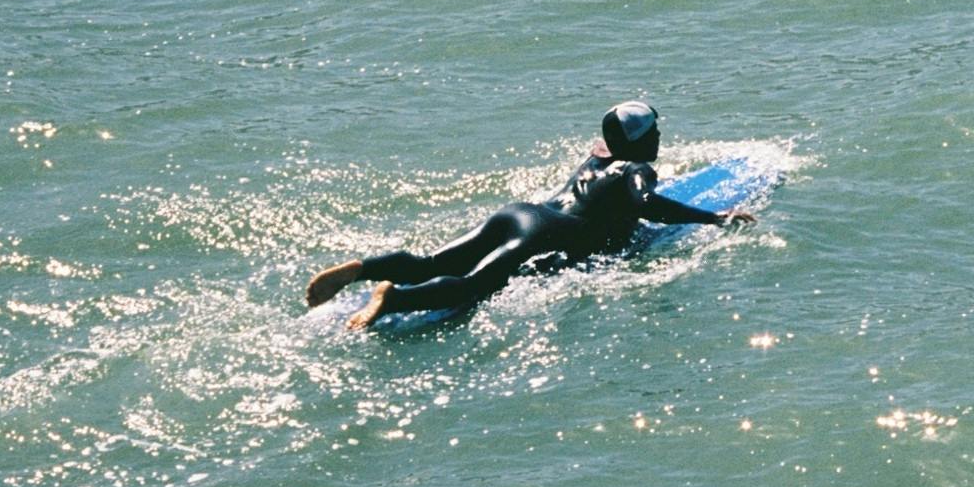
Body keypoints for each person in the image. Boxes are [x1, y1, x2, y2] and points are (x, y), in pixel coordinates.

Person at [305, 100, 748, 326]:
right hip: (549, 233)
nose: (659, 135)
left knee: (436, 262)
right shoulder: (637, 168)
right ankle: (395, 298)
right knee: (473, 287)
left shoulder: (597, 156)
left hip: (520, 213)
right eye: (655, 129)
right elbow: (648, 203)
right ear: (642, 140)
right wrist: (714, 218)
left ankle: (364, 270)